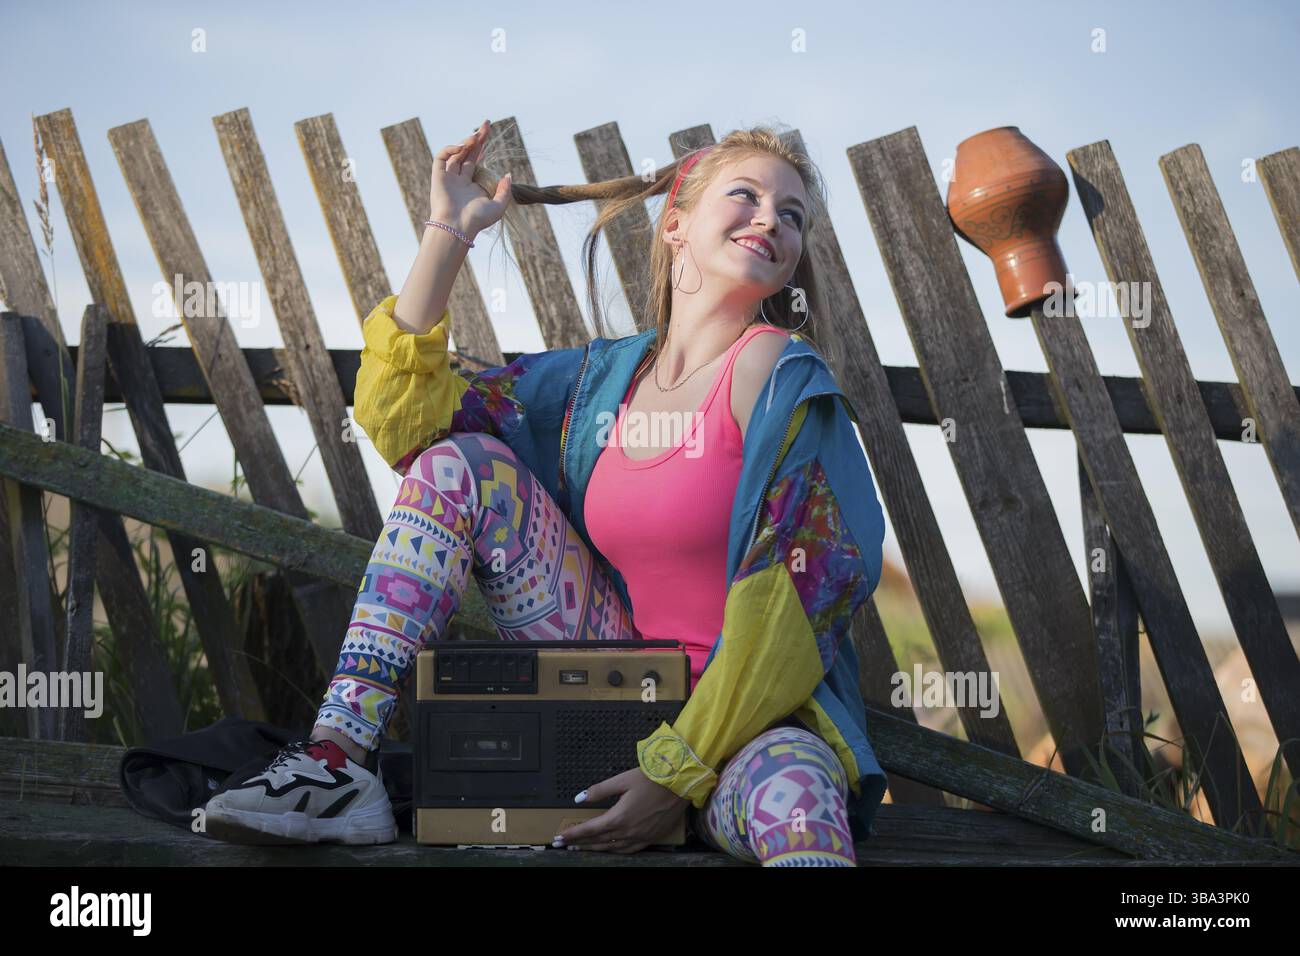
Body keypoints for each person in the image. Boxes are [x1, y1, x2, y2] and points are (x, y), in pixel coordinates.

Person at [204, 119, 888, 866]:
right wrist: (449, 231)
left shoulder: (778, 372)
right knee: (460, 464)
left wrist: (679, 768)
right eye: (747, 195)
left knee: (799, 802)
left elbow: (801, 599)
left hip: (744, 732)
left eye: (792, 215)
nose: (770, 219)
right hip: (611, 704)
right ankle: (337, 763)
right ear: (676, 226)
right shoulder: (597, 386)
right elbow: (409, 422)